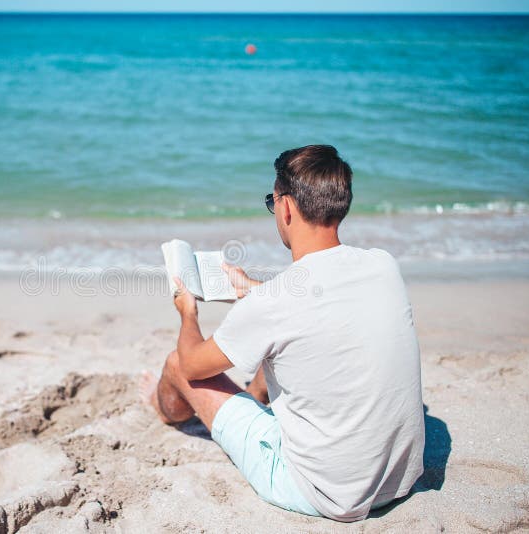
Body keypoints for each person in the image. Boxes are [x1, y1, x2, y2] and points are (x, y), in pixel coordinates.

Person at [140, 145, 425, 522]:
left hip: (321, 491)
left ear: (286, 207)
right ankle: (253, 396)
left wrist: (187, 312)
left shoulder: (275, 303)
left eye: (272, 203)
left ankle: (165, 410)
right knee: (286, 345)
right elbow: (316, 307)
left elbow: (194, 365)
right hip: (398, 480)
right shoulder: (382, 266)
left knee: (176, 363)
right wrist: (249, 289)